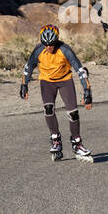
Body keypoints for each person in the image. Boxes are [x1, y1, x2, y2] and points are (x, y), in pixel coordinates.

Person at [20, 24, 93, 160]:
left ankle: (77, 143)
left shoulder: (65, 50)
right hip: (47, 82)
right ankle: (56, 140)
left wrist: (87, 92)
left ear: (56, 41)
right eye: (45, 44)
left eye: (51, 44)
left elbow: (80, 70)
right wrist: (24, 84)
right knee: (48, 109)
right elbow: (29, 67)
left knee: (73, 113)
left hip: (65, 81)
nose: (48, 47)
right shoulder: (38, 50)